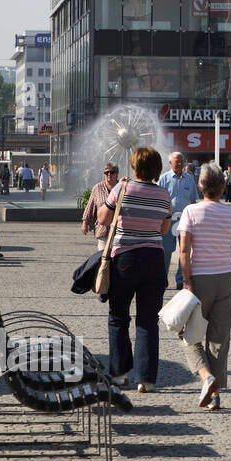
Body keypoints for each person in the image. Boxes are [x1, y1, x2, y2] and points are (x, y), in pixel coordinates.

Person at [177, 163, 231, 411]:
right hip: (225, 280)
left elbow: (183, 250)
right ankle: (216, 395)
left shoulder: (190, 212)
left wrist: (186, 280)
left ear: (200, 186)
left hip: (199, 279)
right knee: (219, 340)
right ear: (223, 187)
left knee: (188, 332)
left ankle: (206, 377)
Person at [97, 146, 172, 393]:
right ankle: (146, 379)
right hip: (154, 260)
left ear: (134, 167)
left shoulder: (123, 187)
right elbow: (163, 230)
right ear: (157, 168)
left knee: (118, 317)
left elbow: (103, 219)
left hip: (125, 260)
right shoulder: (163, 195)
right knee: (148, 320)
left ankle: (119, 375)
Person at [158, 152, 200, 290]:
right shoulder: (163, 179)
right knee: (166, 251)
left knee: (185, 250)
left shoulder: (189, 179)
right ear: (170, 163)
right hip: (168, 220)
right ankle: (162, 279)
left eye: (182, 161)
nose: (180, 164)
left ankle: (181, 279)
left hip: (185, 220)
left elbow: (193, 201)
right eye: (177, 161)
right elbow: (158, 201)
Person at [81, 162, 119, 252]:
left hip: (119, 232)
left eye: (112, 172)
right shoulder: (97, 188)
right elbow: (90, 207)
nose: (109, 174)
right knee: (103, 259)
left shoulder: (122, 187)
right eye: (106, 172)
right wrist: (84, 224)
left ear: (117, 174)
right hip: (103, 231)